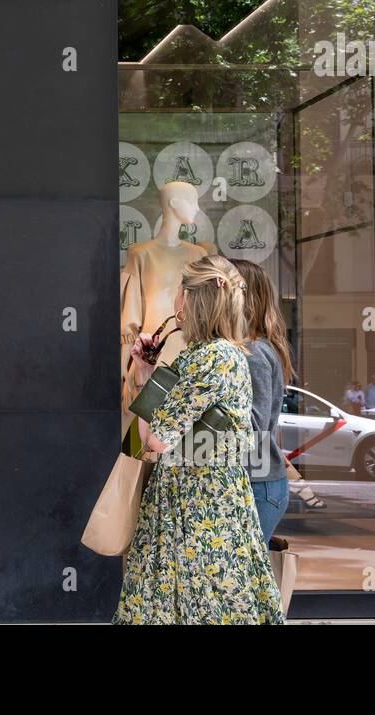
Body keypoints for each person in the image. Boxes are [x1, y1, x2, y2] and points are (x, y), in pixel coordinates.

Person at [113, 255, 284, 625]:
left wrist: (149, 386)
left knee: (193, 603)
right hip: (206, 500)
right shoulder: (217, 354)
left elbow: (153, 440)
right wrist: (147, 371)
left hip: (196, 505)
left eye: (179, 288)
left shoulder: (208, 358)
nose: (175, 298)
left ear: (190, 299)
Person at [229, 258, 292, 544]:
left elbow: (253, 429)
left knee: (240, 585)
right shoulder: (246, 349)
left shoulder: (252, 353)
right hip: (256, 482)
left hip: (256, 485)